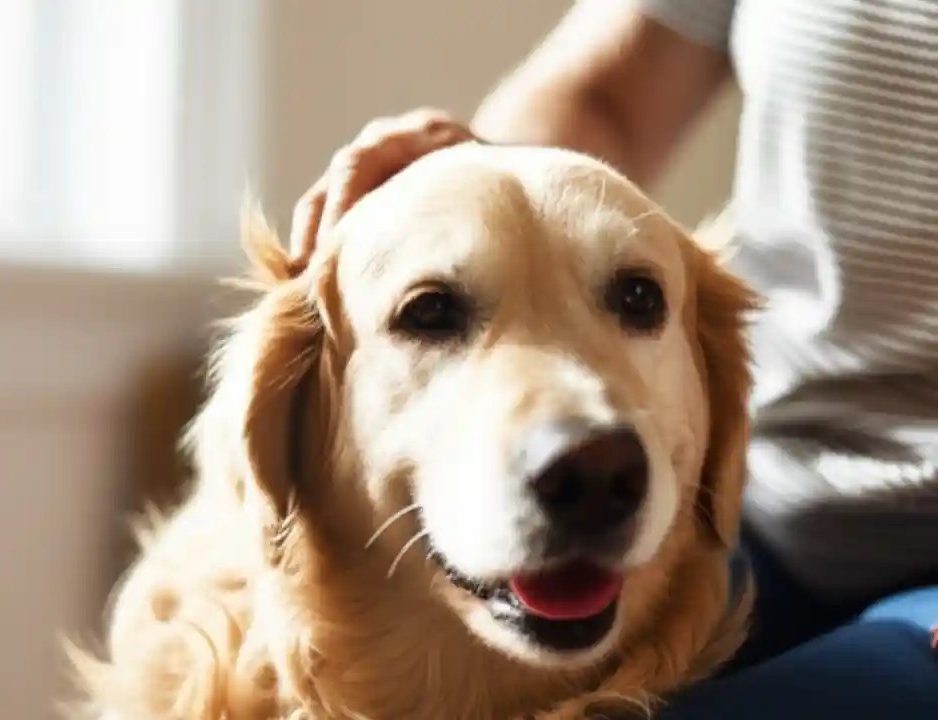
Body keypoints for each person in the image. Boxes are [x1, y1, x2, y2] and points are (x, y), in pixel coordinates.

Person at [290, 1, 938, 716]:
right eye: (433, 312)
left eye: (637, 299)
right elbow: (608, 101)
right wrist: (471, 182)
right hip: (760, 511)